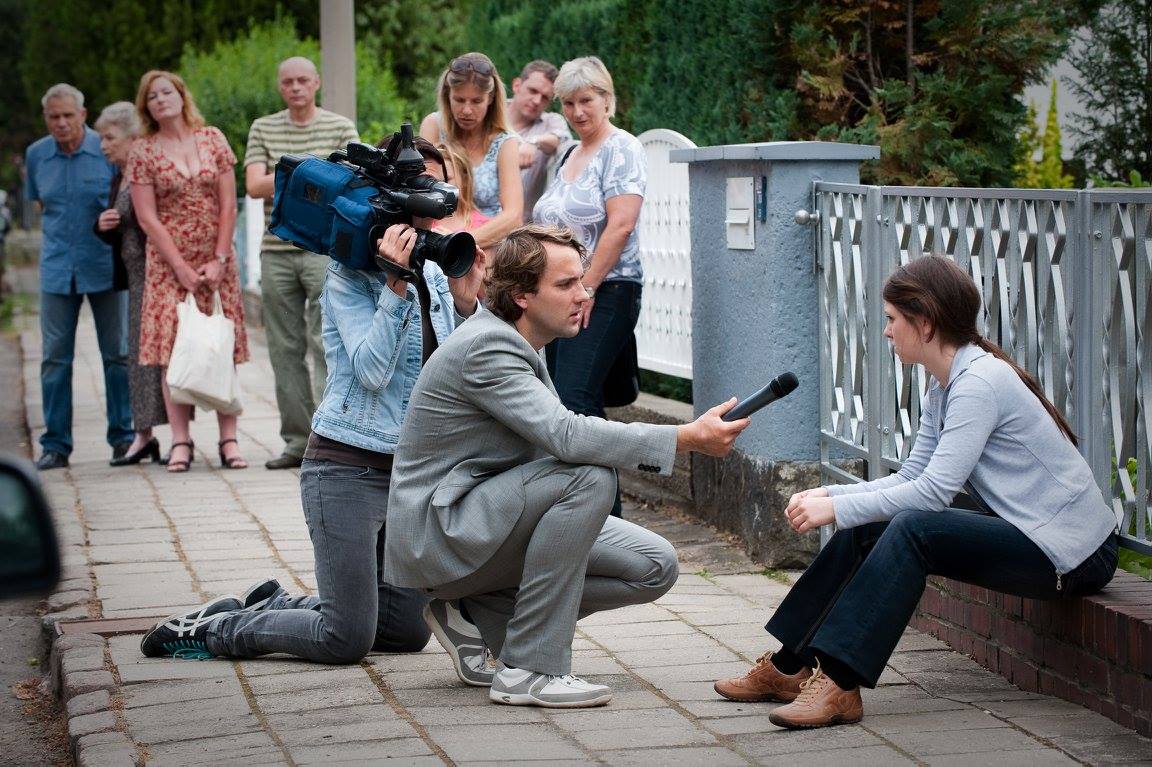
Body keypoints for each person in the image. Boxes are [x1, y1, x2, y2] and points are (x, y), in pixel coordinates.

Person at [713, 255, 1120, 729]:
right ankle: (788, 667)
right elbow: (911, 478)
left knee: (913, 529)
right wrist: (832, 496)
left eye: (892, 319)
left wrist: (836, 510)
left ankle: (841, 685)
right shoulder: (944, 386)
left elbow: (931, 496)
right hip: (1030, 532)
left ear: (924, 323)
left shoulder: (978, 385)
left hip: (1073, 554)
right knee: (875, 523)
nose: (886, 331)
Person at [139, 144, 487, 665]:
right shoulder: (347, 279)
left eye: (440, 199)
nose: (432, 212)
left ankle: (279, 605)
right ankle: (214, 630)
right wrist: (395, 284)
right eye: (422, 200)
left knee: (403, 631)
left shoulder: (437, 272)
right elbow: (371, 372)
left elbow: (463, 370)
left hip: (408, 475)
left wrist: (467, 305)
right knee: (345, 640)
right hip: (347, 469)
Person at [383, 225, 750, 708]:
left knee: (654, 566)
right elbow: (567, 436)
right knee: (587, 477)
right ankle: (529, 669)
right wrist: (684, 438)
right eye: (565, 285)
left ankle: (475, 614)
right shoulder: (488, 347)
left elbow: (554, 443)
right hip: (443, 533)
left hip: (487, 519)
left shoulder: (523, 340)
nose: (583, 294)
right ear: (522, 296)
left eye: (582, 281)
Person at [533, 57, 646, 517]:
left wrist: (587, 287)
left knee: (575, 401)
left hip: (608, 289)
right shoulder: (570, 153)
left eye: (587, 100)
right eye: (569, 102)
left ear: (606, 99)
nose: (578, 111)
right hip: (562, 292)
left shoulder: (622, 148)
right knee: (567, 399)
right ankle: (587, 515)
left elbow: (621, 226)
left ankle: (607, 524)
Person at [126, 70, 250, 473]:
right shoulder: (142, 150)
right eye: (152, 97)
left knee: (220, 343)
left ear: (181, 96)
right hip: (167, 263)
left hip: (216, 258)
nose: (160, 100)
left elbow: (229, 204)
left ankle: (228, 438)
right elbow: (146, 217)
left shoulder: (212, 138)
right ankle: (181, 441)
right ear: (146, 107)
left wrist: (218, 258)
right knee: (171, 351)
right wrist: (178, 266)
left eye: (167, 92)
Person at [245, 57, 360, 471]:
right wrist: (313, 175)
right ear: (280, 87)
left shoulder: (341, 126)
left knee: (326, 343)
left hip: (323, 251)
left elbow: (349, 181)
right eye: (287, 82)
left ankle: (328, 437)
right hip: (275, 252)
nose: (295, 87)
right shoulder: (263, 127)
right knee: (283, 349)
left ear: (316, 83)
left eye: (302, 81)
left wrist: (287, 173)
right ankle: (296, 441)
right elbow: (253, 184)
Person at [24, 83, 133, 470]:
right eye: (54, 117)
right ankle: (55, 444)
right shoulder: (37, 156)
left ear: (83, 115)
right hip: (56, 270)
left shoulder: (105, 151)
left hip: (105, 266)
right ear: (46, 119)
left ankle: (124, 438)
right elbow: (40, 204)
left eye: (69, 115)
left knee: (118, 355)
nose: (62, 123)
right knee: (54, 359)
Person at [94, 101, 168, 467]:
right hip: (133, 272)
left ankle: (147, 435)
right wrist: (102, 225)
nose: (103, 145)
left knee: (147, 355)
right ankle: (143, 434)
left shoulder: (141, 169)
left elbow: (155, 217)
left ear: (132, 137)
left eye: (109, 137)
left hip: (152, 271)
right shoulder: (118, 173)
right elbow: (119, 226)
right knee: (138, 355)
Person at [420, 52, 522, 249]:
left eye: (476, 101)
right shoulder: (433, 125)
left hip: (487, 242)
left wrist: (458, 244)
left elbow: (514, 215)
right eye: (459, 100)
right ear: (447, 94)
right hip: (435, 235)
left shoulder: (504, 142)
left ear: (491, 98)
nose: (466, 110)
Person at [506, 60, 571, 223]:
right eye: (533, 91)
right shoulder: (489, 113)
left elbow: (562, 140)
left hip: (519, 229)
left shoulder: (550, 122)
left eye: (545, 98)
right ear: (516, 85)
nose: (536, 101)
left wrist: (533, 142)